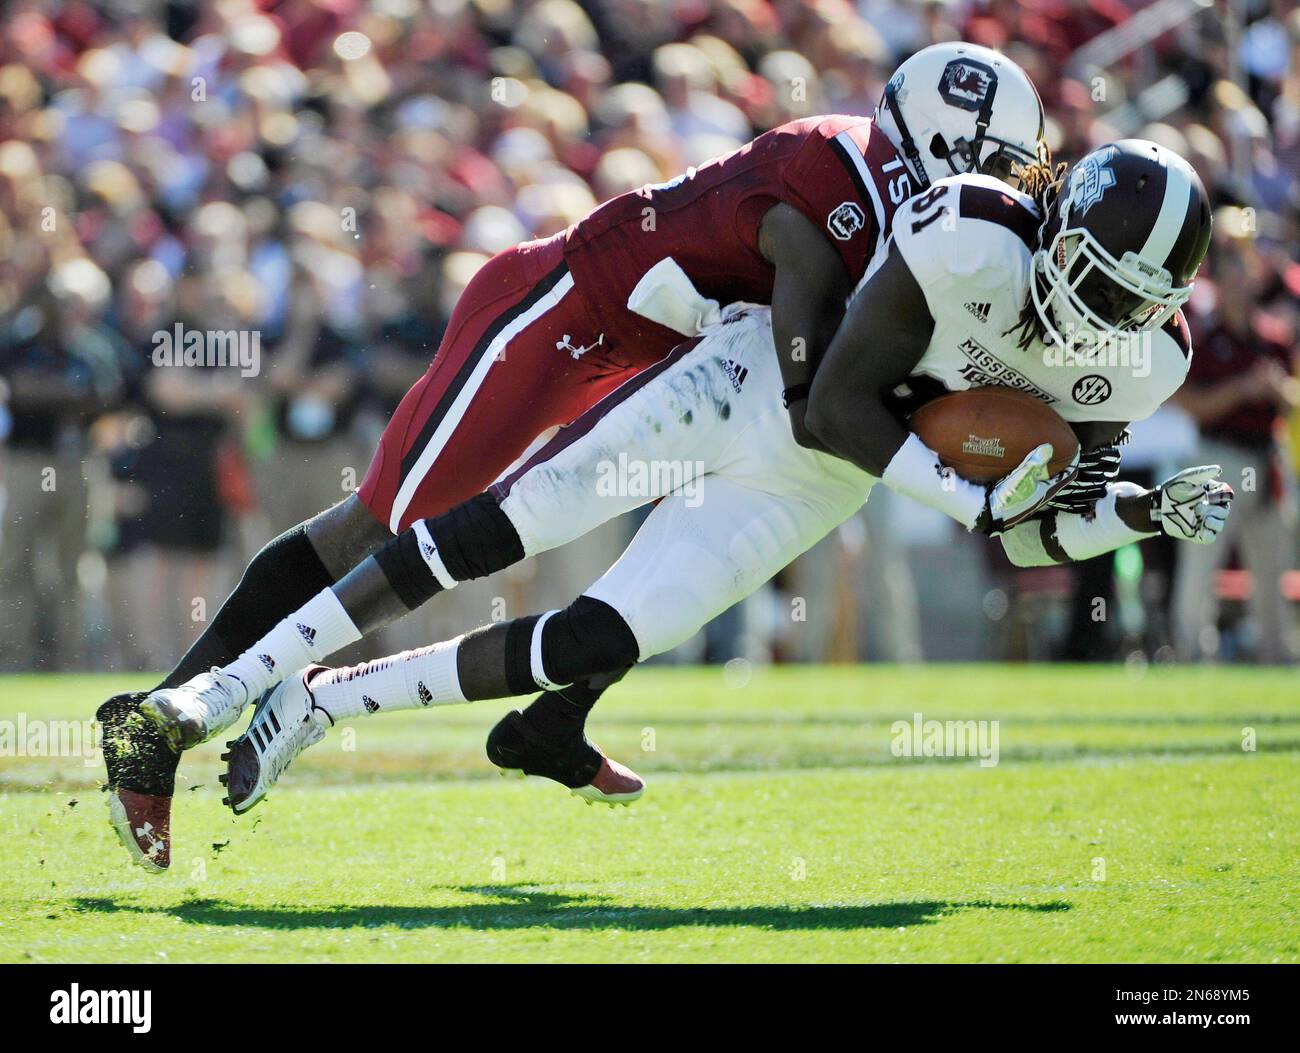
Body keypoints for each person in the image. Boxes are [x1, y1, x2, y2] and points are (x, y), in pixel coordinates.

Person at [99, 42, 1049, 872]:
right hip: (561, 316)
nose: (1003, 189)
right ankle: (164, 712)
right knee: (387, 523)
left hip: (643, 351)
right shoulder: (834, 188)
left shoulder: (901, 205)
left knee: (676, 560)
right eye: (993, 165)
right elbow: (812, 400)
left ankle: (554, 719)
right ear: (937, 144)